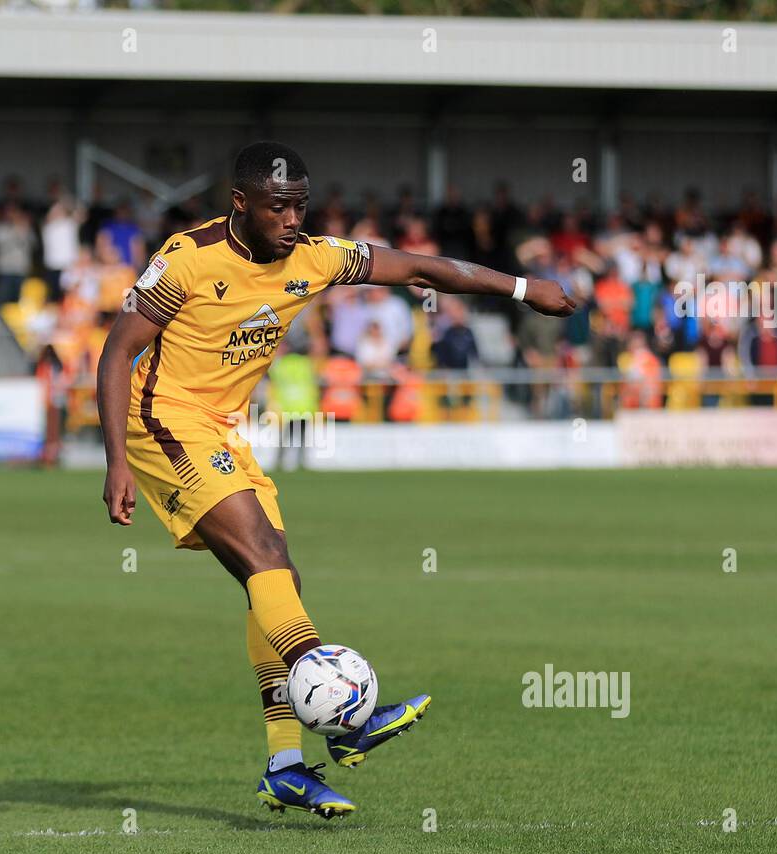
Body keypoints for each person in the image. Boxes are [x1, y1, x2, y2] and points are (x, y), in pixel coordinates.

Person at [96, 142, 574, 818]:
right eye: (277, 207)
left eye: (300, 206)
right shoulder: (189, 258)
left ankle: (286, 764)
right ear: (240, 204)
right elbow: (117, 350)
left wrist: (522, 289)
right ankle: (350, 714)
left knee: (275, 581)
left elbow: (420, 267)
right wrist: (116, 458)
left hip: (224, 429)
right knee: (265, 558)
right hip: (163, 421)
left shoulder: (318, 258)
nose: (292, 219)